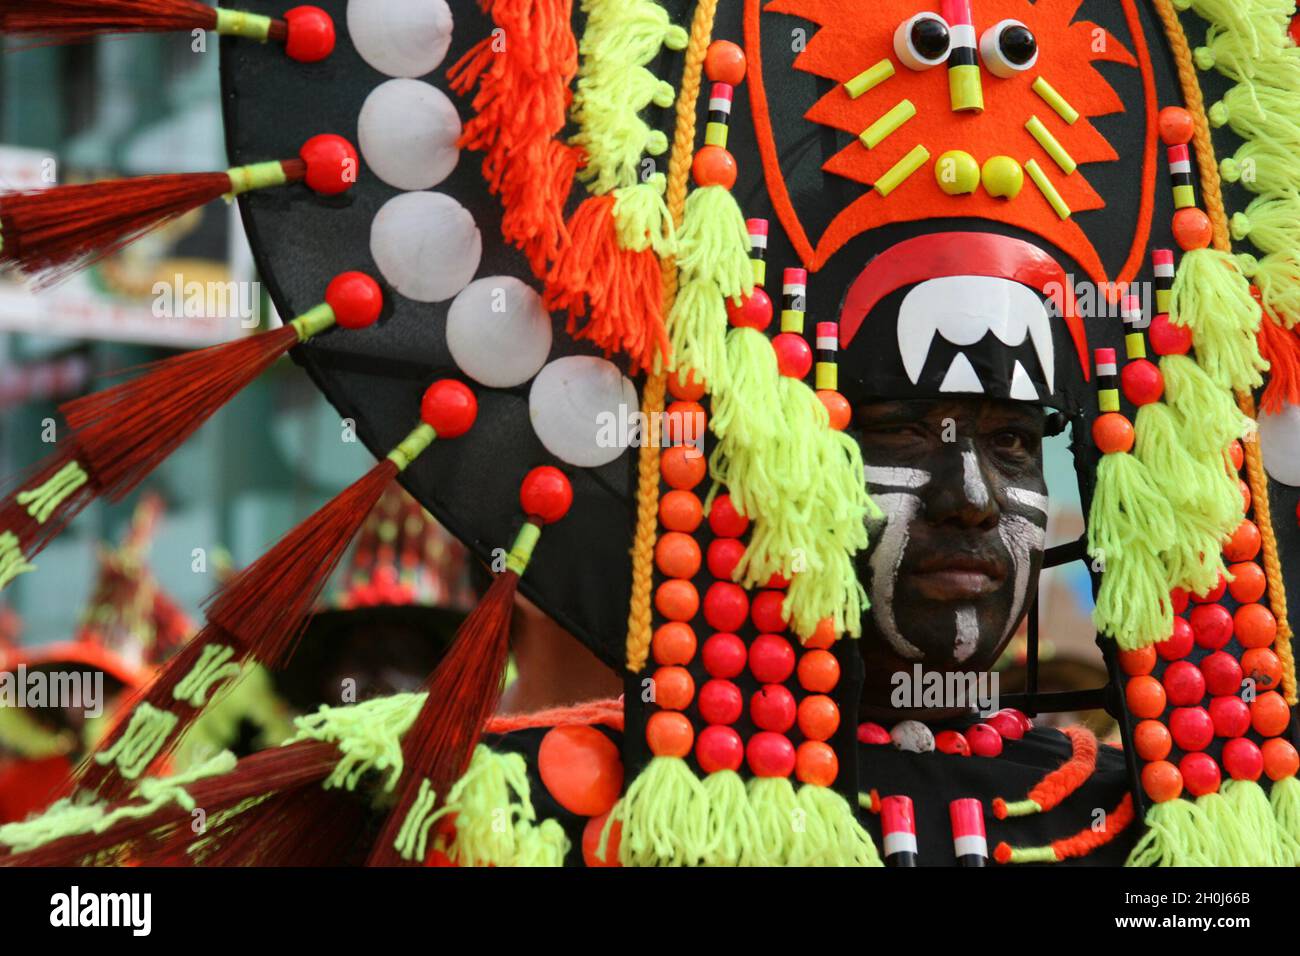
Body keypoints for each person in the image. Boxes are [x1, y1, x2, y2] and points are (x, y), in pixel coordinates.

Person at [1, 0, 1298, 869]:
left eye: (1018, 442)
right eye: (897, 430)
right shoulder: (526, 816)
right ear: (758, 467)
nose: (972, 499)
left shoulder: (1127, 826)